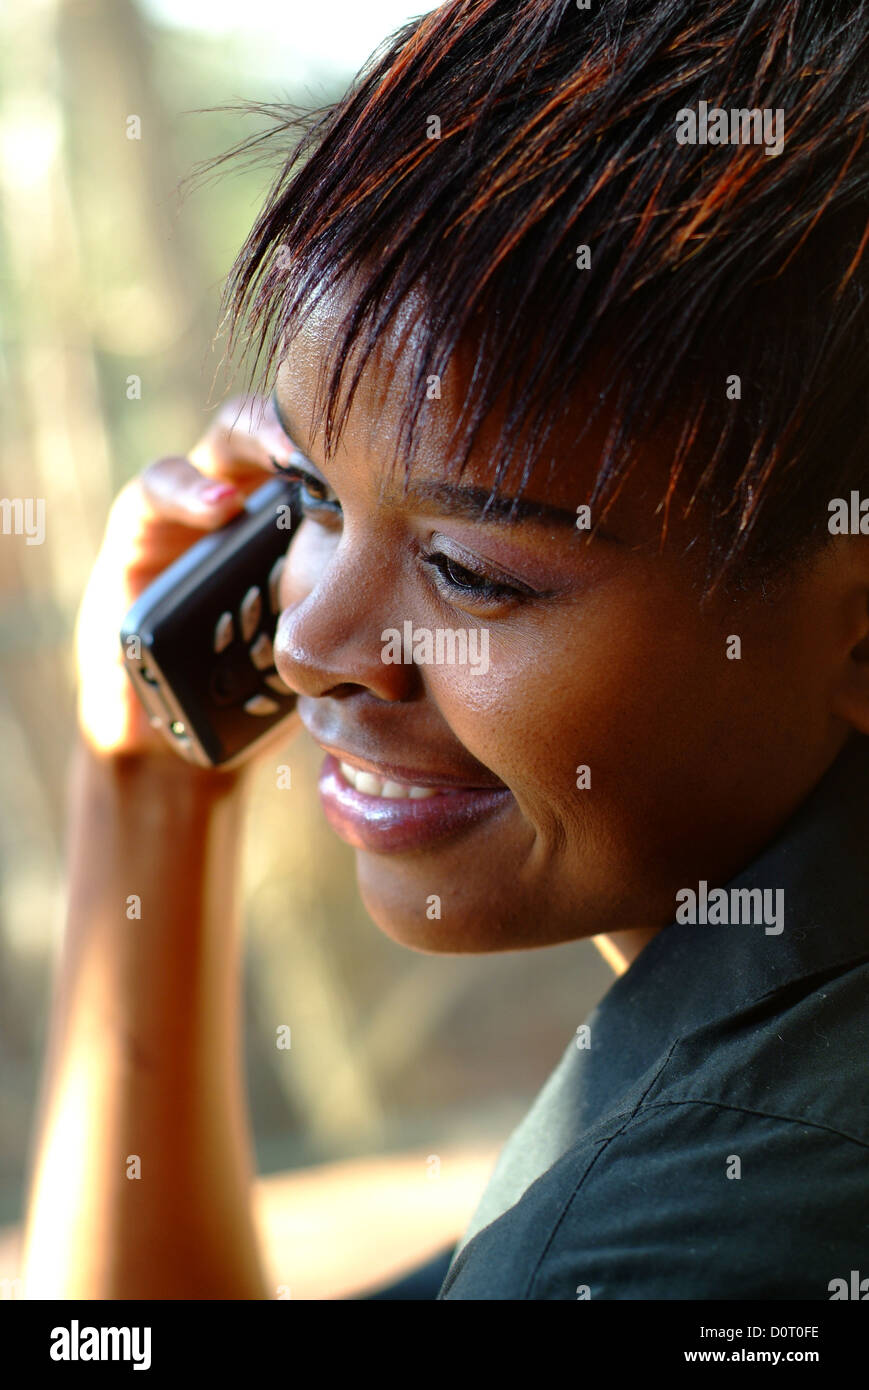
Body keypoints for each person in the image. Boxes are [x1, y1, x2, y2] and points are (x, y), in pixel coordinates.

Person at [20, 0, 869, 1298]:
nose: (306, 642)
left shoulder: (686, 1236)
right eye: (305, 496)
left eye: (469, 570)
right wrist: (144, 776)